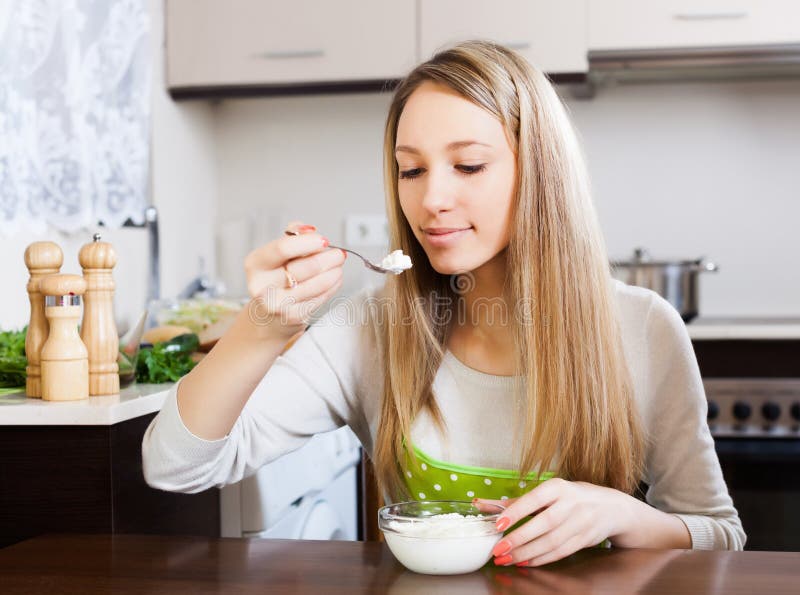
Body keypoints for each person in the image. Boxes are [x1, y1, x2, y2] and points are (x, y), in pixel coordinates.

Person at [142, 40, 745, 567]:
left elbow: (720, 535)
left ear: (539, 173)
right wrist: (261, 328)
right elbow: (174, 465)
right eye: (411, 171)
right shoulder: (371, 329)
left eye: (468, 165)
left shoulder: (643, 329)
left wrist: (620, 515)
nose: (432, 198)